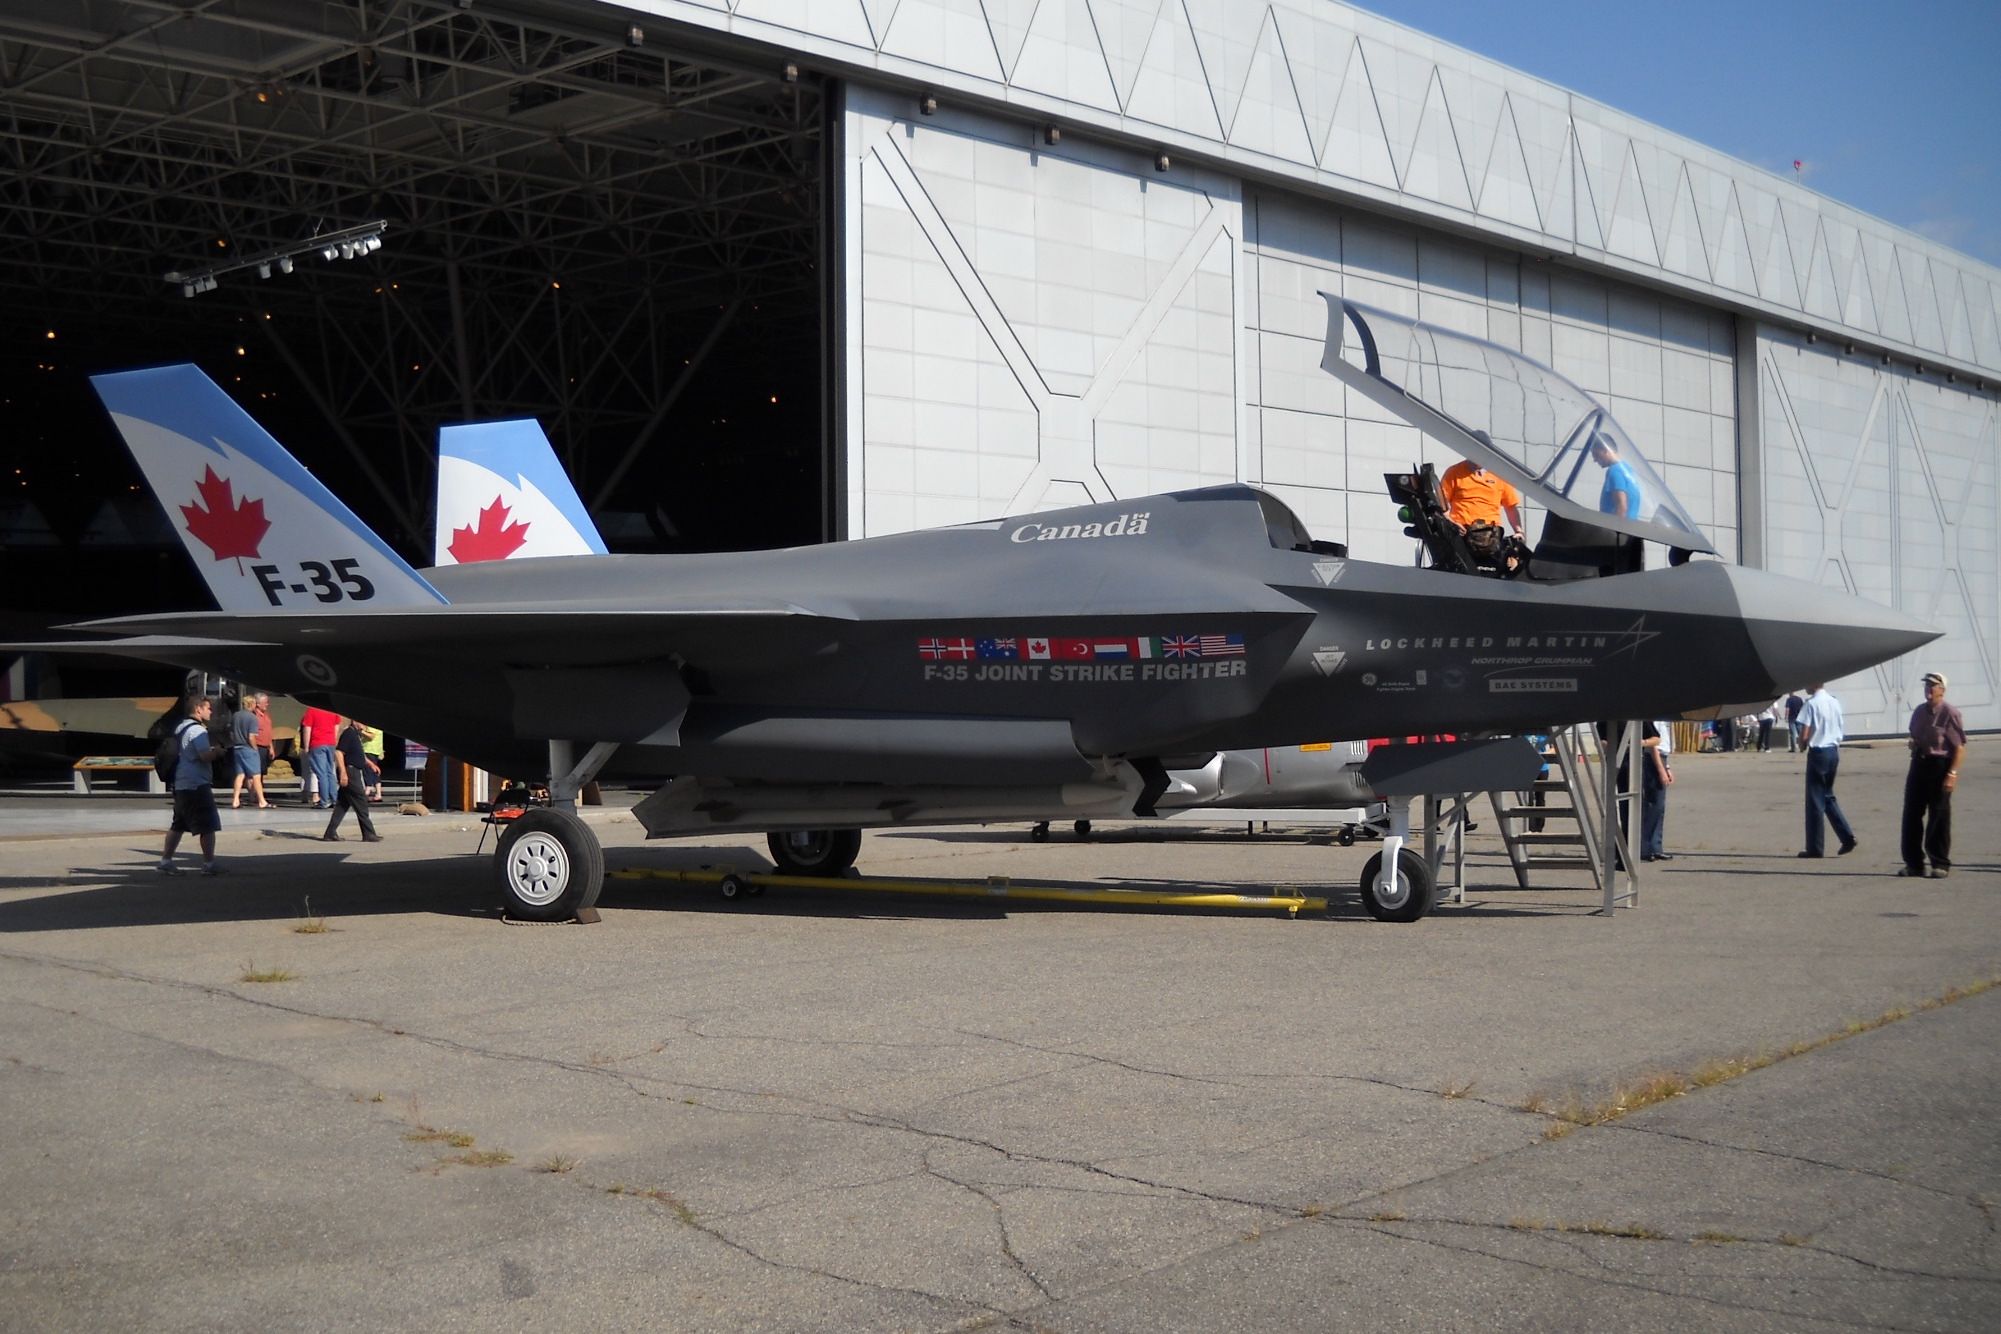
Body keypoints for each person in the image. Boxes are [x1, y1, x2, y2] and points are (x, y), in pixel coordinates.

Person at [1900, 671, 1966, 879]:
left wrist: (1952, 774)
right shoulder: (1919, 711)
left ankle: (1940, 863)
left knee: (1939, 814)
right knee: (1911, 814)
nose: (1929, 689)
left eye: (1933, 686)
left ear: (1942, 690)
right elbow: (1915, 736)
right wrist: (1914, 743)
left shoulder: (1950, 713)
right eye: (1927, 686)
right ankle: (1914, 864)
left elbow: (1959, 747)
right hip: (1920, 763)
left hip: (1940, 765)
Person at [158, 693, 223, 875]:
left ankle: (166, 860)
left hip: (181, 782)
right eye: (208, 708)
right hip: (197, 784)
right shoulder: (198, 731)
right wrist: (217, 752)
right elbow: (203, 756)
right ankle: (209, 864)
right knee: (208, 824)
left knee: (178, 823)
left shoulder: (181, 727)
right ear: (198, 709)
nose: (211, 711)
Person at [1797, 683, 1858, 859]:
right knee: (1827, 796)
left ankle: (1815, 847)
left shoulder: (1811, 704)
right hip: (1833, 750)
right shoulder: (1834, 702)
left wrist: (1801, 744)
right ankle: (1846, 836)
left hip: (1818, 752)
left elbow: (1805, 730)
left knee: (1814, 800)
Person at [1439, 455, 1523, 556]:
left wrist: (1518, 531)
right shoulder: (1454, 472)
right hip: (1462, 533)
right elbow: (1441, 503)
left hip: (1490, 535)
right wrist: (1450, 522)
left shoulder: (1500, 475)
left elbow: (1511, 507)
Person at [322, 718, 383, 843]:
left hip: (354, 770)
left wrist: (370, 764)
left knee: (342, 805)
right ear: (354, 721)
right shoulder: (349, 733)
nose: (364, 725)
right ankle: (368, 834)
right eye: (362, 722)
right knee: (361, 802)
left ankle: (330, 833)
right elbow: (339, 753)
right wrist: (343, 773)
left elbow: (358, 753)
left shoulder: (356, 734)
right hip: (350, 772)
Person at [228, 693, 270, 809]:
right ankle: (262, 800)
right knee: (256, 775)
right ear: (251, 704)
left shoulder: (235, 715)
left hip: (237, 748)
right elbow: (251, 736)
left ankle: (235, 800)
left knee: (240, 775)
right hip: (248, 748)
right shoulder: (252, 718)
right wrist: (255, 748)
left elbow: (231, 733)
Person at [298, 703, 342, 809]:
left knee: (321, 773)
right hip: (330, 743)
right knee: (329, 772)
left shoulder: (312, 710)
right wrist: (334, 741)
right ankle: (334, 799)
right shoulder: (333, 709)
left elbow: (307, 729)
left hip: (317, 743)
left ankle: (324, 800)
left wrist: (307, 747)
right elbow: (337, 727)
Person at [1641, 720, 1674, 861]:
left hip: (1663, 758)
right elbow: (1653, 746)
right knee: (1654, 805)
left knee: (1660, 807)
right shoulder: (1653, 718)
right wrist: (1661, 769)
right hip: (1654, 759)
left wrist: (1667, 767)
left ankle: (1656, 846)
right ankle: (1645, 847)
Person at [1590, 433, 1642, 520]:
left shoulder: (1615, 471)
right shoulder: (1627, 469)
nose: (1595, 460)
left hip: (1618, 529)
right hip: (1631, 527)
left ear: (1605, 450)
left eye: (1596, 455)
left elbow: (1621, 506)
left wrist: (1612, 531)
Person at [358, 722, 386, 802]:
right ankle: (378, 794)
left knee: (367, 771)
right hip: (376, 750)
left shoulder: (371, 724)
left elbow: (371, 736)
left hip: (369, 749)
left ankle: (367, 791)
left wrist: (361, 731)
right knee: (375, 772)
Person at [252, 691, 275, 779]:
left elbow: (268, 732)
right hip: (257, 747)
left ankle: (259, 789)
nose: (267, 704)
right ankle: (255, 790)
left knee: (262, 770)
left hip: (265, 747)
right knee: (257, 771)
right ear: (258, 704)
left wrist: (271, 747)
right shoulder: (254, 716)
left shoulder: (266, 715)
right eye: (265, 702)